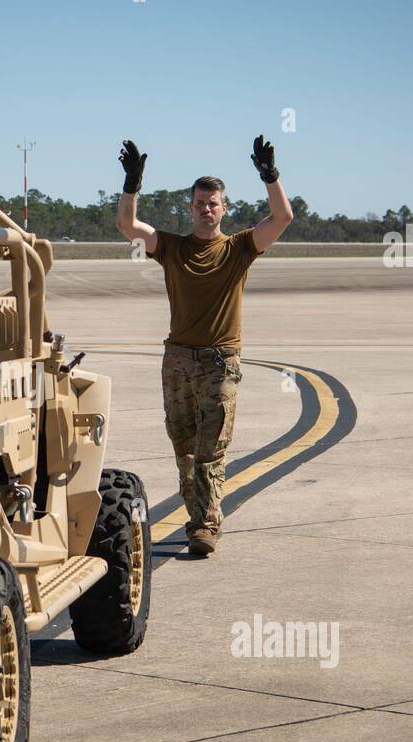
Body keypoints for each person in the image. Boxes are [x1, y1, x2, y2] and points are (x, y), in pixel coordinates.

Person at [115, 135, 293, 555]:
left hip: (219, 362)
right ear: (190, 207)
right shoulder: (172, 248)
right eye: (200, 202)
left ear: (224, 208)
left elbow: (282, 217)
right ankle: (196, 517)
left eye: (214, 203)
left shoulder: (239, 248)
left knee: (211, 450)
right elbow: (128, 226)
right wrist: (132, 183)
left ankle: (206, 525)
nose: (206, 209)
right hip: (177, 361)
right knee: (185, 451)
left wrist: (270, 175)